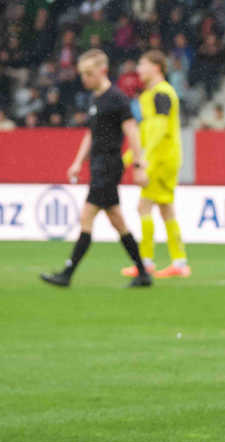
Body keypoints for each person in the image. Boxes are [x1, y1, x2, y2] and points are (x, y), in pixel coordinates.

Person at [40, 49, 153, 289]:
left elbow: (132, 131)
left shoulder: (117, 98)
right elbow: (92, 134)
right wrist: (77, 162)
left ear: (103, 71)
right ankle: (143, 273)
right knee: (118, 222)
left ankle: (67, 274)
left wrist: (139, 165)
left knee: (87, 217)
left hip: (109, 166)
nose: (84, 78)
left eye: (89, 73)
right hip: (98, 165)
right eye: (83, 74)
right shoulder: (96, 99)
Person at [121, 50, 189, 279]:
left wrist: (143, 158)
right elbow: (146, 131)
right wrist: (128, 157)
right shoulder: (150, 95)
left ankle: (146, 262)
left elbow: (159, 130)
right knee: (166, 209)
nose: (138, 69)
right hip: (163, 156)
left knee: (144, 207)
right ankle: (179, 262)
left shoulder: (162, 93)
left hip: (161, 158)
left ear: (156, 68)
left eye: (143, 64)